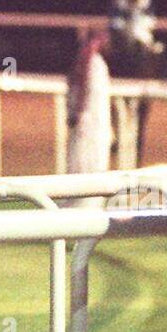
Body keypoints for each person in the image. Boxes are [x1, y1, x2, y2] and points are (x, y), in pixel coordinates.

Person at [107, 0, 166, 162]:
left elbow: (150, 25)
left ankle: (157, 81)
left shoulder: (145, 2)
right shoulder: (119, 4)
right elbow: (115, 26)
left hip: (141, 43)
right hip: (122, 44)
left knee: (155, 49)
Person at [66, 31, 112, 204]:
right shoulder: (90, 62)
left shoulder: (91, 62)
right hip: (90, 125)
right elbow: (82, 90)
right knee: (87, 165)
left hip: (92, 123)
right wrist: (78, 111)